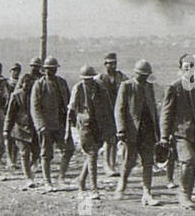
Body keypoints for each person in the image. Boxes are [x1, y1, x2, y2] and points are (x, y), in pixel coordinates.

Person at [161, 54, 195, 210]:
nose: (189, 69)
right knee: (188, 160)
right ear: (180, 68)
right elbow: (166, 113)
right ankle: (184, 195)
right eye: (186, 67)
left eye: (192, 66)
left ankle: (188, 195)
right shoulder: (174, 87)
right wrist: (164, 136)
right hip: (180, 133)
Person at [114, 60, 163, 206]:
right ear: (135, 73)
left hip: (147, 130)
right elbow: (119, 109)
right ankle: (121, 185)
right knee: (129, 161)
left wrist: (157, 131)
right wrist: (121, 129)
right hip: (131, 131)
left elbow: (154, 109)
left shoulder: (149, 87)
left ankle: (147, 193)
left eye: (146, 75)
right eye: (142, 75)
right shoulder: (126, 86)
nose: (144, 78)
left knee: (148, 162)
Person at [66, 64, 115, 198]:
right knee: (92, 153)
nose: (87, 81)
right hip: (84, 126)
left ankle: (81, 180)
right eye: (85, 79)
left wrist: (110, 127)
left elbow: (108, 108)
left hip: (98, 125)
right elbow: (71, 110)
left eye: (89, 79)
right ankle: (94, 188)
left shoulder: (100, 88)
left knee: (92, 155)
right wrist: (71, 130)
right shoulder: (78, 88)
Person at [29, 57, 76, 190]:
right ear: (44, 70)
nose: (51, 71)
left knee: (69, 149)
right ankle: (47, 181)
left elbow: (69, 101)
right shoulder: (39, 84)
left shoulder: (61, 82)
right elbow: (35, 107)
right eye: (48, 69)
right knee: (46, 154)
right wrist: (40, 125)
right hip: (46, 125)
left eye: (53, 69)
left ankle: (61, 177)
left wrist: (71, 119)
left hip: (61, 123)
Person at [6, 58, 42, 188]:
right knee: (24, 152)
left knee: (37, 151)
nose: (27, 86)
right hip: (20, 127)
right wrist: (6, 129)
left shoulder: (37, 94)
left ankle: (31, 169)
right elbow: (10, 114)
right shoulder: (16, 95)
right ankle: (28, 177)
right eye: (25, 84)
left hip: (34, 127)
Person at [98, 52, 128, 176]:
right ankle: (107, 165)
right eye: (109, 63)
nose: (112, 66)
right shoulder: (100, 79)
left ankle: (112, 164)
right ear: (105, 64)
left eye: (114, 63)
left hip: (118, 111)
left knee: (115, 139)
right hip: (105, 112)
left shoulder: (121, 77)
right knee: (108, 139)